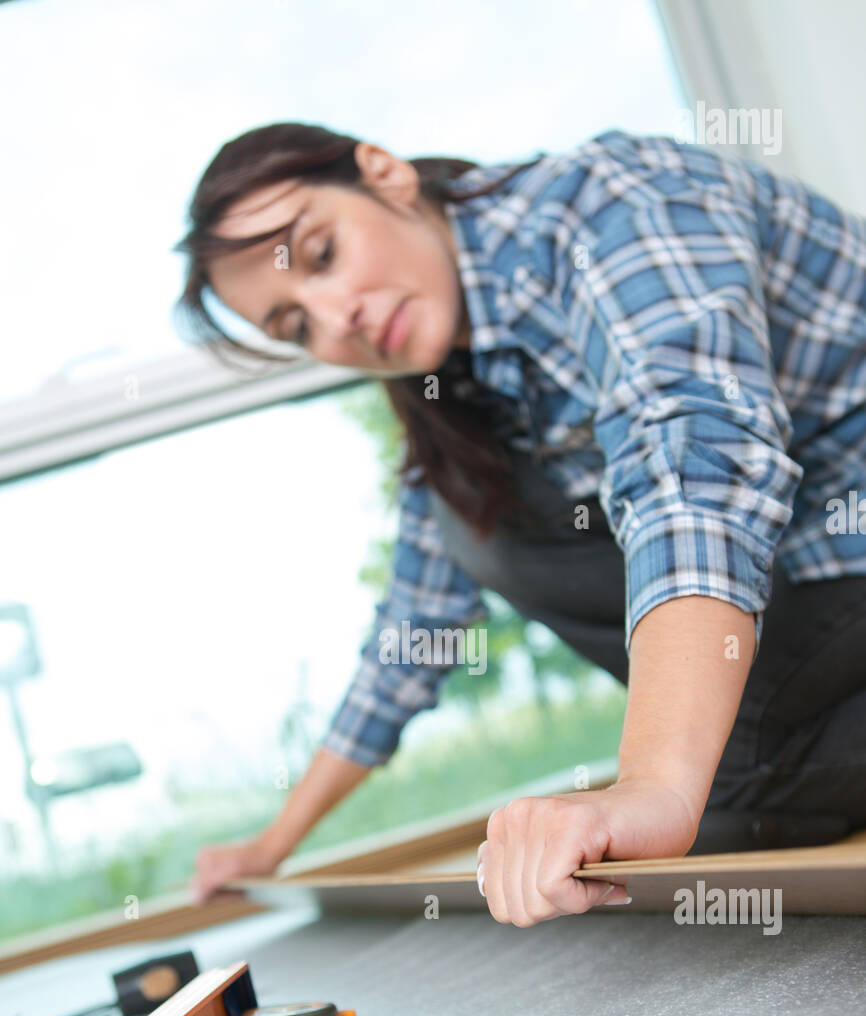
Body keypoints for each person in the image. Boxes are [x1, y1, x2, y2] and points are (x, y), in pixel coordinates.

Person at [172, 123, 866, 927]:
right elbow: (415, 625)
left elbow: (694, 453)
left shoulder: (610, 203)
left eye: (322, 253)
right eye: (296, 327)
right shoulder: (460, 388)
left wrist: (655, 783)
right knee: (468, 516)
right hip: (811, 587)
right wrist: (273, 845)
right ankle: (732, 768)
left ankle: (726, 770)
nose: (337, 319)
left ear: (386, 174)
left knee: (724, 791)